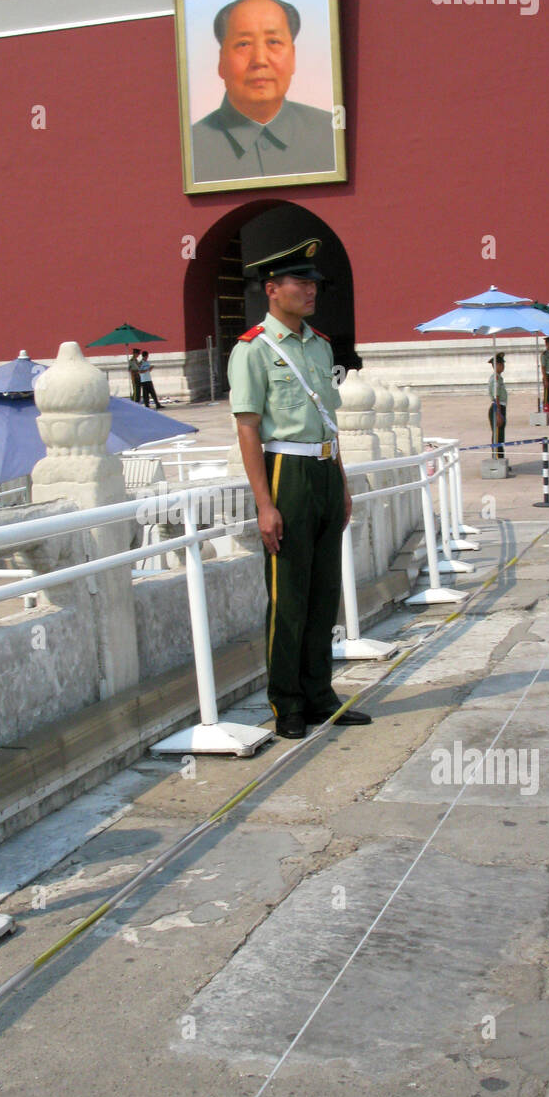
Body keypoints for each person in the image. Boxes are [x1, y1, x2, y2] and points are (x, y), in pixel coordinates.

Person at [227, 236, 371, 739]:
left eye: (315, 284)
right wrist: (265, 504)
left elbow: (328, 421)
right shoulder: (253, 351)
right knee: (288, 597)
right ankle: (286, 701)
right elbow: (248, 428)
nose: (312, 290)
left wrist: (344, 485)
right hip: (286, 472)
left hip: (327, 474)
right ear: (273, 289)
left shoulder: (321, 343)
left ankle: (320, 695)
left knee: (323, 592)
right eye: (301, 282)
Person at [191, 0, 335, 184]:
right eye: (243, 44)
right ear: (221, 62)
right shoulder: (192, 148)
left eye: (273, 42)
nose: (259, 60)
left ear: (293, 56)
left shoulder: (330, 134)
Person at [488, 353, 508, 460]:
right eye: (501, 364)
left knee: (500, 437)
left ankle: (501, 458)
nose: (503, 366)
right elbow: (496, 398)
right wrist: (499, 414)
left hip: (500, 408)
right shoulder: (495, 379)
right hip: (497, 409)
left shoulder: (499, 378)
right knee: (497, 436)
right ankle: (496, 458)